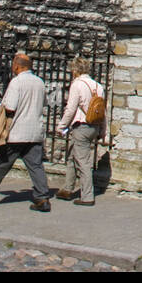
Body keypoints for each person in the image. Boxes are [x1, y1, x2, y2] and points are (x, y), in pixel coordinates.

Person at [0, 52, 53, 212]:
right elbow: (45, 102)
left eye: (14, 65)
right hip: (34, 131)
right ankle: (42, 197)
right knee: (36, 165)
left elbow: (9, 107)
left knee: (2, 163)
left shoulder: (16, 83)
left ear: (17, 66)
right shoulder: (39, 82)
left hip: (17, 131)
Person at [56, 56, 102, 206]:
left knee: (83, 162)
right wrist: (103, 130)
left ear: (75, 70)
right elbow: (103, 111)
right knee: (72, 155)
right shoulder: (98, 86)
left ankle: (87, 196)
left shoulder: (77, 85)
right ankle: (67, 189)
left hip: (81, 125)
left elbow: (70, 109)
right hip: (94, 126)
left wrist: (61, 126)